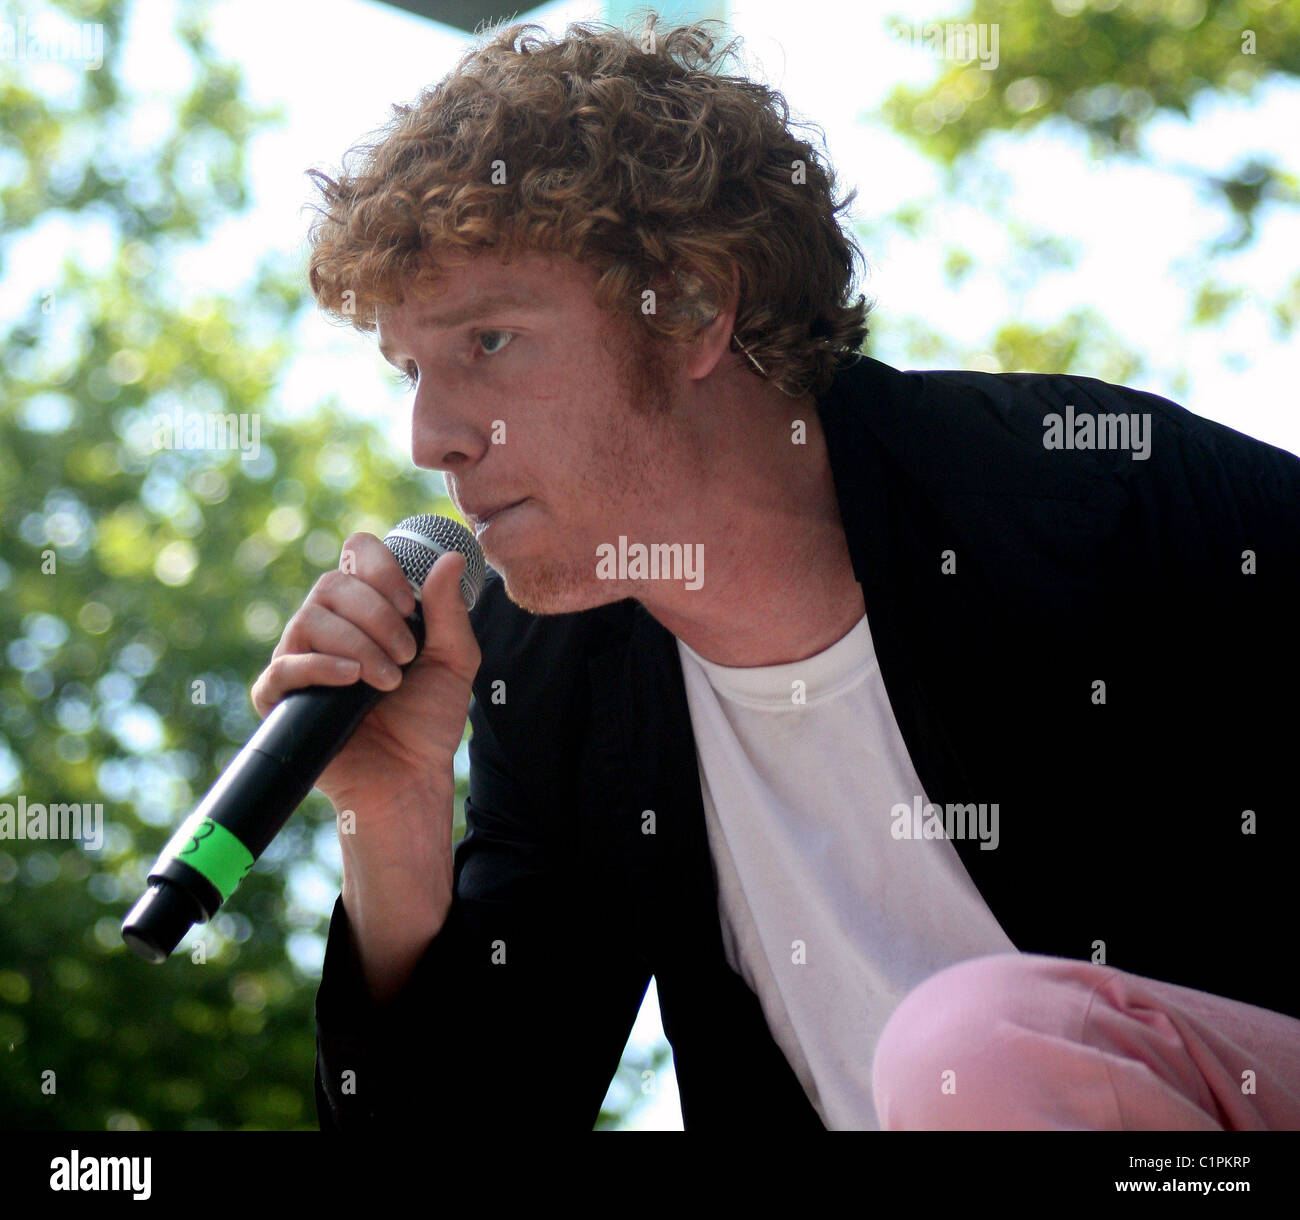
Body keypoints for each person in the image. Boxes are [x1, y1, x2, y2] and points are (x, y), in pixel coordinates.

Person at [250, 17, 1300, 1131]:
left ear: (697, 305)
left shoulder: (1086, 497)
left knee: (978, 1046)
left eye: (488, 342)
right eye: (411, 369)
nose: (431, 435)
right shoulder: (556, 675)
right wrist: (395, 812)